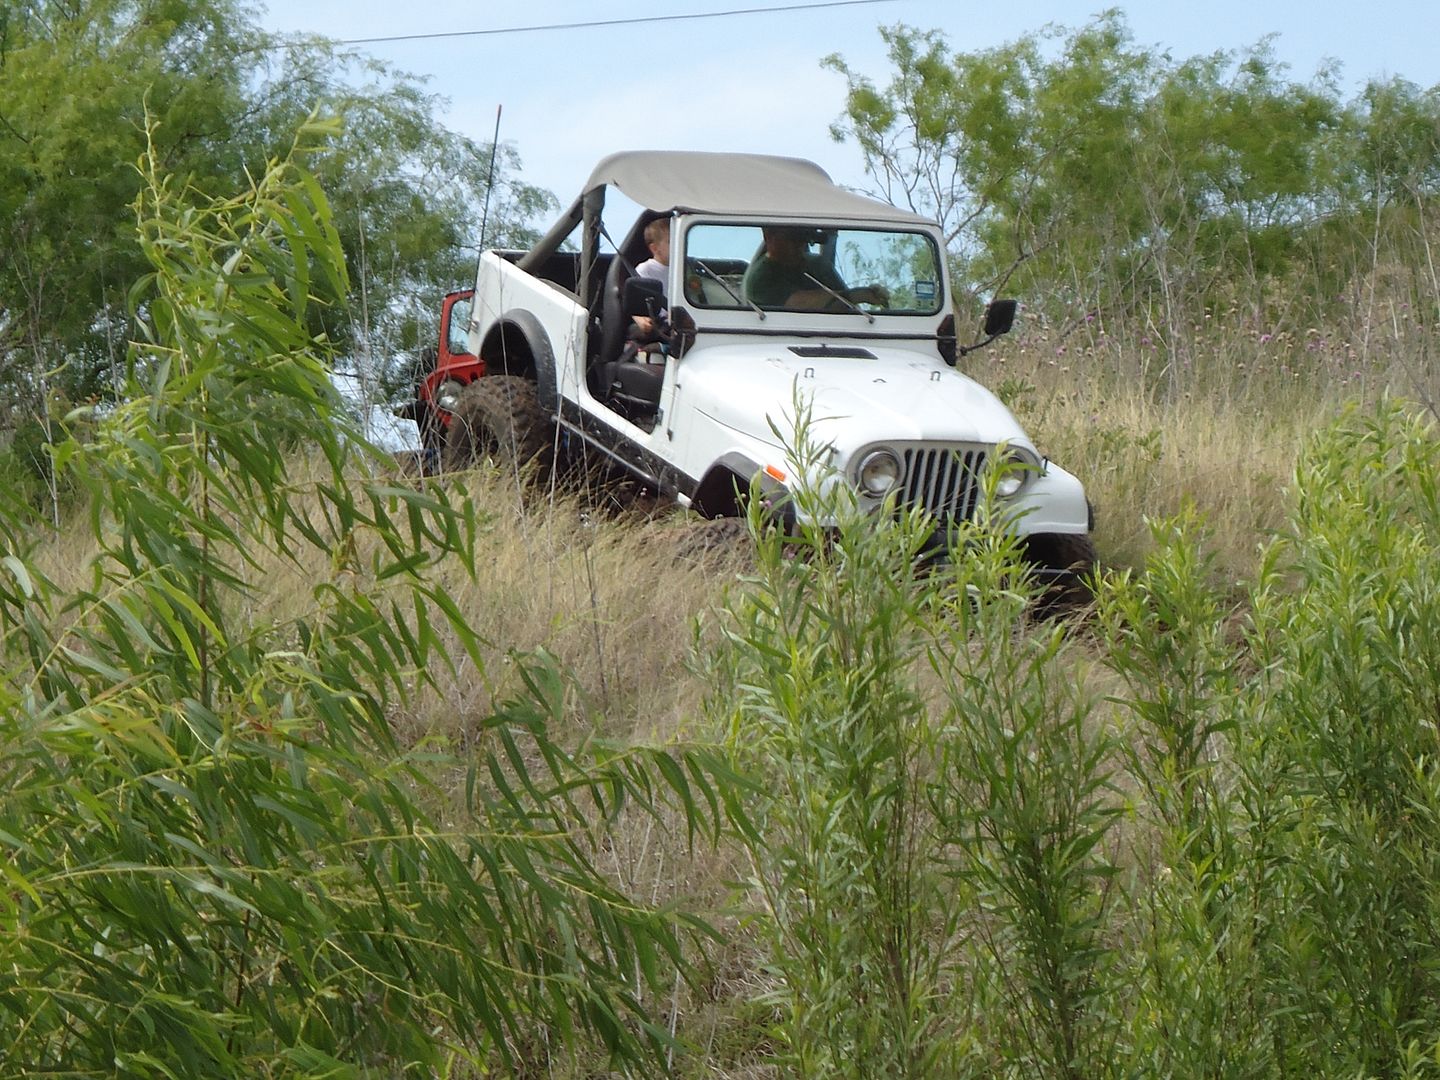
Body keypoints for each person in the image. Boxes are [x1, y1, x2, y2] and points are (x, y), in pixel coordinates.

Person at [742, 225, 888, 309]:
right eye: (791, 238)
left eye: (801, 238)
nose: (798, 245)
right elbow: (800, 303)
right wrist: (856, 295)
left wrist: (872, 294)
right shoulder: (760, 278)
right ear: (769, 236)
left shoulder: (818, 265)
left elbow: (847, 309)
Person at [634, 217, 670, 283]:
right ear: (655, 248)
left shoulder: (687, 268)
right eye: (670, 242)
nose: (676, 244)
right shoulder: (645, 270)